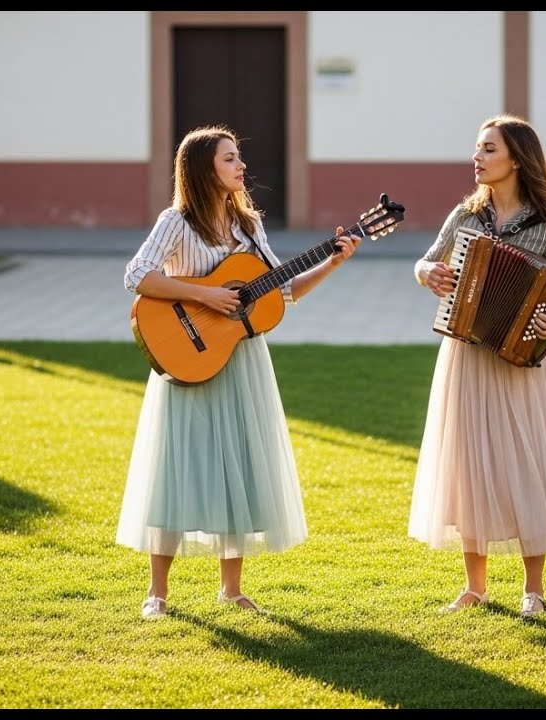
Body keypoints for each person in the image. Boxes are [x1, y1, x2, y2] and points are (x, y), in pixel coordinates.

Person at [116, 125, 362, 619]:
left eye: (239, 158)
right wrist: (205, 294)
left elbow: (280, 291)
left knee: (240, 466)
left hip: (241, 359)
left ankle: (231, 588)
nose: (241, 166)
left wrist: (333, 262)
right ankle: (157, 593)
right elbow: (136, 275)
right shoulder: (176, 222)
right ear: (205, 168)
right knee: (176, 467)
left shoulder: (249, 226)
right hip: (189, 353)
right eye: (230, 159)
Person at [408, 113, 546, 618]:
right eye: (478, 148)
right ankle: (475, 587)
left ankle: (534, 589)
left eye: (488, 149)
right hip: (466, 354)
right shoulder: (464, 216)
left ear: (516, 158)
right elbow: (424, 261)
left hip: (520, 363)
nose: (477, 157)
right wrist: (430, 275)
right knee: (468, 464)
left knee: (529, 463)